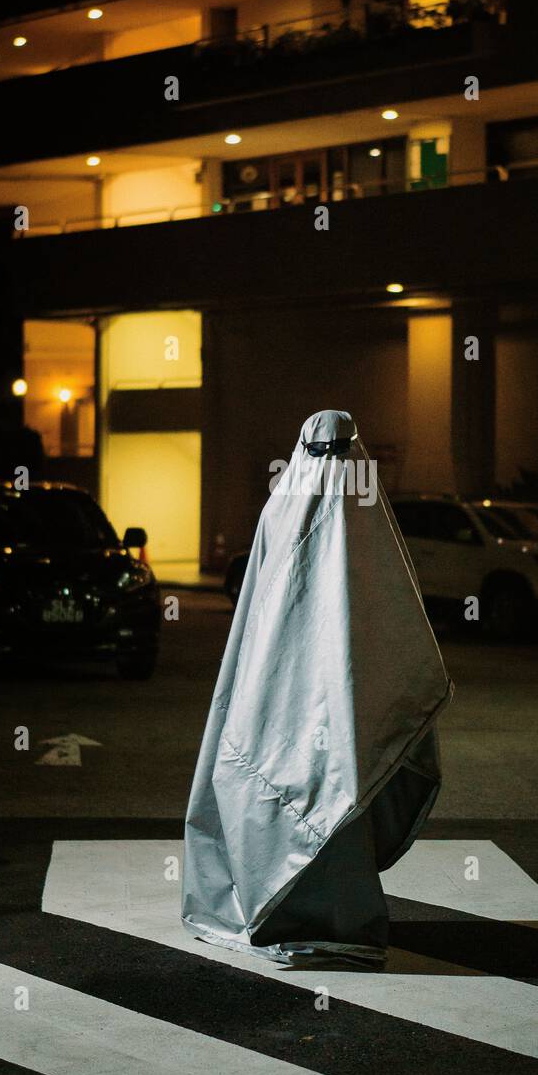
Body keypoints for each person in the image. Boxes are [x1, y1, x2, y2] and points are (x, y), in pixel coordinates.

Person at [181, 409, 453, 967]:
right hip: (316, 690)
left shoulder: (296, 508)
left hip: (290, 691)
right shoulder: (361, 511)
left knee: (311, 782)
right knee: (331, 784)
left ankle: (303, 909)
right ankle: (328, 914)